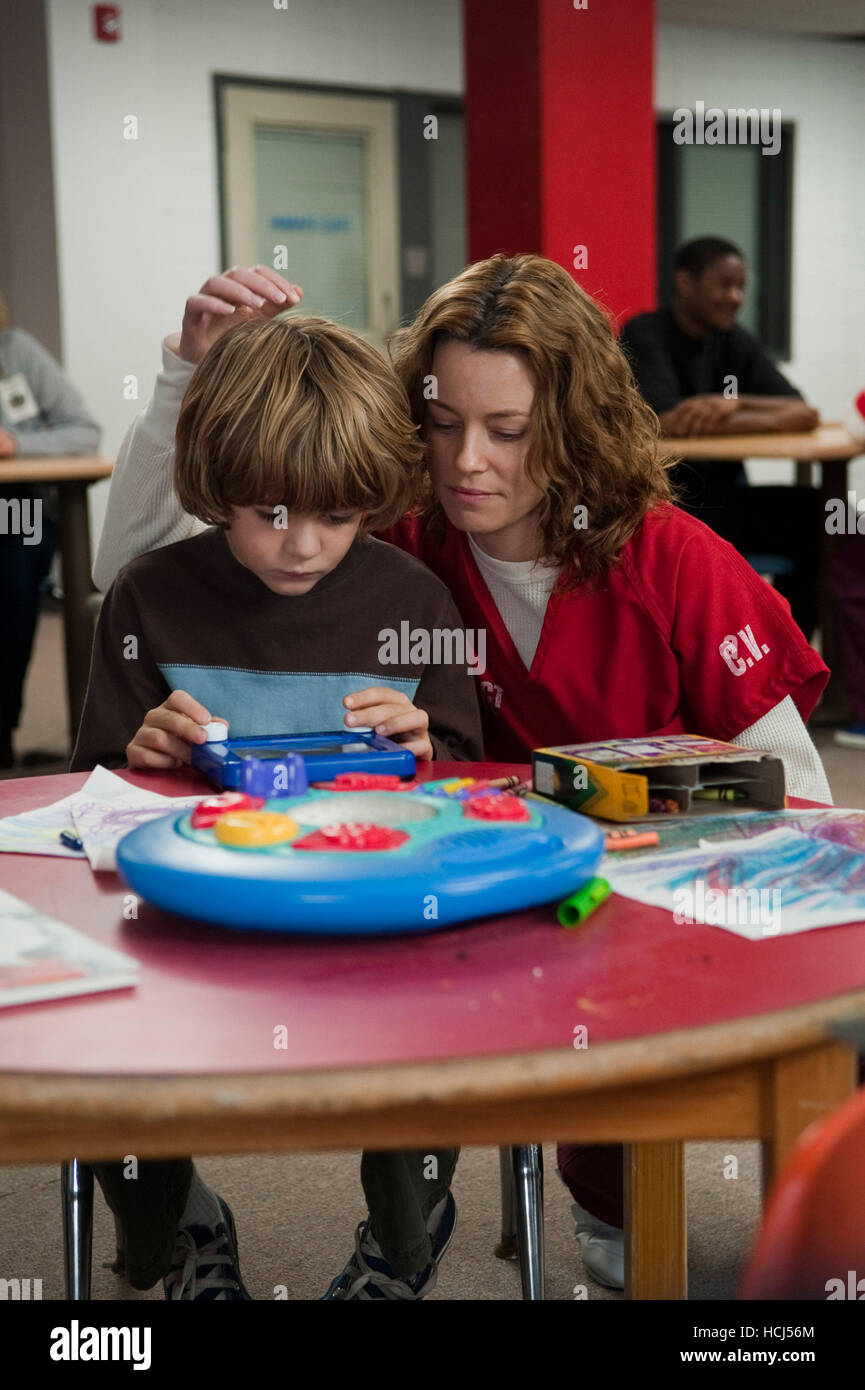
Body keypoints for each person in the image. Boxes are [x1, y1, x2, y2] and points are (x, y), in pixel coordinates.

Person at [94, 255, 831, 1293]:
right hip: (467, 891)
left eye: (509, 430)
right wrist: (184, 375)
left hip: (647, 901)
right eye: (441, 423)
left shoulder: (674, 560)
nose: (467, 462)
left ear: (572, 425)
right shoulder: (399, 540)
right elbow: (133, 566)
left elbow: (801, 804)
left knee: (640, 1192)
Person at [73, 308, 483, 1299]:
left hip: (372, 906)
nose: (303, 545)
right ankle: (176, 1225)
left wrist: (429, 753)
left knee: (456, 1001)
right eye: (270, 513)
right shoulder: (147, 595)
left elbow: (476, 784)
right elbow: (90, 799)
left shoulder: (417, 602)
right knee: (88, 1019)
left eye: (337, 516)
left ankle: (404, 1239)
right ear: (214, 482)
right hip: (193, 906)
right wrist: (144, 757)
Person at [620, 237, 821, 639]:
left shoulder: (732, 339)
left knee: (824, 517)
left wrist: (732, 403)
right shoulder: (645, 333)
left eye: (741, 287)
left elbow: (802, 411)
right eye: (724, 285)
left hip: (726, 500)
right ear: (685, 283)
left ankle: (788, 650)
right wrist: (759, 414)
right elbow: (671, 421)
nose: (735, 298)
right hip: (666, 506)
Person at [0, 293, 101, 768]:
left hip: (13, 506)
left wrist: (15, 443)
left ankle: (2, 727)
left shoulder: (15, 351)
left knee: (13, 568)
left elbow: (85, 433)